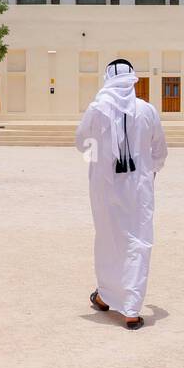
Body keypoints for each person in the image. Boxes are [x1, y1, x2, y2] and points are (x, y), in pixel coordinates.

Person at [75, 59, 168, 330]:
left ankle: (106, 295)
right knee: (138, 241)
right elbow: (160, 150)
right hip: (139, 188)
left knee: (109, 239)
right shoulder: (147, 110)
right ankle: (130, 309)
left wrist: (100, 155)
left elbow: (81, 142)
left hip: (105, 187)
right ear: (133, 80)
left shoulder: (97, 108)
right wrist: (151, 171)